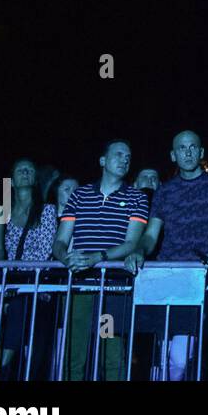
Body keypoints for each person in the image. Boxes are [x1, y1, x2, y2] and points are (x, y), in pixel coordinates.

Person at [139, 130, 208, 381]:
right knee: (157, 352)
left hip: (197, 277)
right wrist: (139, 252)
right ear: (173, 155)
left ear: (201, 152)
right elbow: (151, 235)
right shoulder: (164, 191)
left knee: (180, 357)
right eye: (182, 148)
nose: (188, 151)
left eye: (193, 146)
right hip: (164, 274)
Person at [52, 139, 149, 381]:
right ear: (103, 160)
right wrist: (66, 258)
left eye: (128, 156)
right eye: (118, 154)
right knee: (74, 354)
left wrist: (97, 258)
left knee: (112, 353)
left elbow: (131, 243)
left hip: (113, 289)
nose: (125, 159)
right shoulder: (80, 195)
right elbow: (60, 241)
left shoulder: (136, 197)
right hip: (81, 287)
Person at [0, 157, 60, 378]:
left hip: (35, 281)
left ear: (36, 179)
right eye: (20, 169)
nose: (25, 172)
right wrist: (3, 274)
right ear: (11, 179)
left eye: (30, 169)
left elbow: (44, 250)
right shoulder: (1, 210)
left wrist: (15, 278)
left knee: (20, 309)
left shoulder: (47, 211)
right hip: (7, 279)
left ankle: (2, 366)